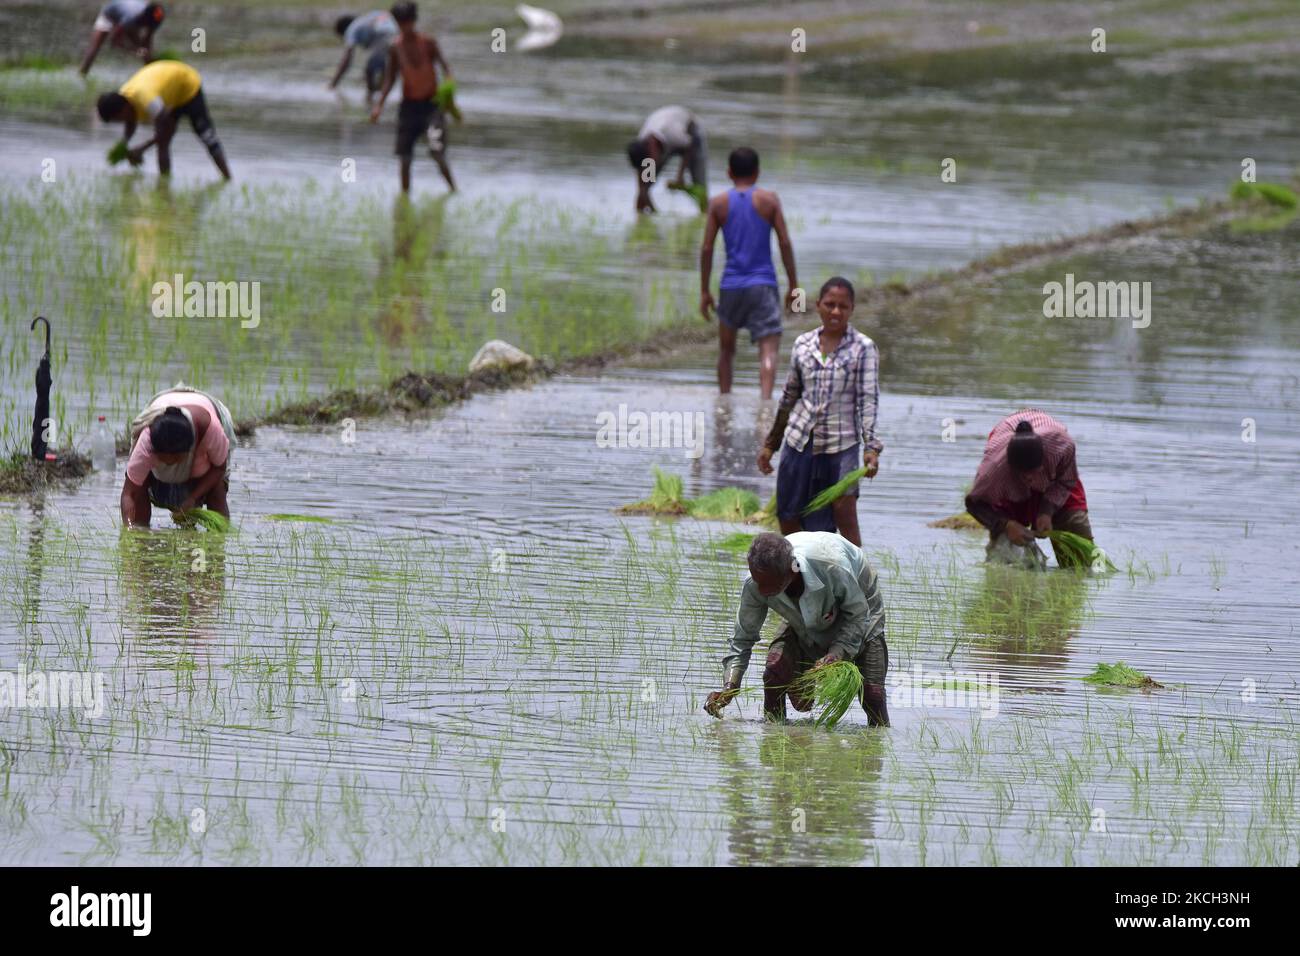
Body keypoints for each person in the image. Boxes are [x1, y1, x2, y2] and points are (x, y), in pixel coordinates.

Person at [705, 531, 889, 726]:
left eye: (769, 584)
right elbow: (743, 638)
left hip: (861, 602)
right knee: (775, 672)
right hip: (805, 612)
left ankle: (877, 737)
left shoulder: (832, 567)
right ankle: (774, 735)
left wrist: (836, 654)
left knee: (872, 693)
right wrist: (730, 686)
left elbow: (858, 616)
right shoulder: (755, 583)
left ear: (791, 571)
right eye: (759, 582)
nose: (762, 591)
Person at [758, 277, 882, 546]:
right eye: (830, 305)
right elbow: (790, 395)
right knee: (789, 514)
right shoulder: (803, 344)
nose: (835, 311)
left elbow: (868, 400)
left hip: (842, 444)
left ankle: (856, 577)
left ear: (851, 309)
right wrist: (771, 444)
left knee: (843, 510)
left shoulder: (863, 348)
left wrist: (871, 448)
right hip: (799, 440)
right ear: (818, 306)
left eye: (843, 306)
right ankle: (799, 575)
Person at [699, 147, 797, 400]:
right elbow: (785, 243)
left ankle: (724, 401)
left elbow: (707, 248)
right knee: (768, 350)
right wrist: (793, 285)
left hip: (730, 285)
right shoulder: (769, 201)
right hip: (763, 284)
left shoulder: (718, 204)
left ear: (729, 173)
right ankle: (765, 405)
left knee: (726, 351)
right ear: (757, 173)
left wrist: (704, 290)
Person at [964, 409, 1093, 564]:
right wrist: (1006, 525)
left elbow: (1066, 482)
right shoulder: (994, 470)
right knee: (1007, 558)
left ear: (1043, 462)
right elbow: (974, 503)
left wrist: (1046, 511)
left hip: (1054, 482)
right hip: (1009, 487)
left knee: (1077, 540)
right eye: (1023, 475)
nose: (1029, 479)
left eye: (1033, 473)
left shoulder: (1062, 448)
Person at [370, 2, 456, 193]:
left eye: (407, 22)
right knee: (405, 157)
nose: (404, 27)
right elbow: (390, 79)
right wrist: (379, 105)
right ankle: (404, 198)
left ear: (414, 21)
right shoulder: (395, 48)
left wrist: (449, 91)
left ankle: (453, 190)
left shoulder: (428, 43)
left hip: (432, 107)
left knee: (437, 151)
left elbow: (445, 68)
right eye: (400, 23)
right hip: (408, 108)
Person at [121, 386, 236, 528]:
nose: (170, 464)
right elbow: (130, 493)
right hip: (162, 403)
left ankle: (219, 542)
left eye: (176, 459)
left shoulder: (209, 428)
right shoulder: (147, 441)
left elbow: (219, 468)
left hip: (207, 410)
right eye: (164, 459)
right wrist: (130, 530)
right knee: (140, 484)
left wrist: (193, 498)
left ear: (190, 451)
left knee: (217, 489)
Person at [96, 60, 232, 179]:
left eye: (118, 119)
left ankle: (228, 179)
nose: (121, 122)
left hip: (186, 83)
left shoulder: (146, 99)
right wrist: (124, 144)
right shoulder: (125, 97)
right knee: (163, 146)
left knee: (206, 136)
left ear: (123, 109)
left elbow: (168, 128)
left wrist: (142, 149)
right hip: (167, 91)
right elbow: (130, 122)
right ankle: (164, 185)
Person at [627, 105, 706, 214]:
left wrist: (680, 176)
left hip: (691, 134)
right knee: (645, 186)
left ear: (652, 148)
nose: (650, 166)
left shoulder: (675, 135)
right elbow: (642, 184)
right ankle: (641, 218)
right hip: (664, 134)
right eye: (647, 165)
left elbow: (689, 147)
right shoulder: (641, 144)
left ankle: (706, 213)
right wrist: (652, 209)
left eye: (650, 162)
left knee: (700, 186)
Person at [80, 1, 165, 75]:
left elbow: (147, 39)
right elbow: (114, 41)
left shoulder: (156, 18)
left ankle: (151, 74)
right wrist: (134, 51)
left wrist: (147, 54)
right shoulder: (131, 17)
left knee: (144, 51)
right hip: (109, 16)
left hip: (128, 18)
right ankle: (82, 73)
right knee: (95, 47)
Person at [329, 10, 399, 99]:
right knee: (383, 69)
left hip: (385, 37)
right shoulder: (363, 20)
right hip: (396, 32)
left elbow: (346, 60)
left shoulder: (351, 30)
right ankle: (379, 94)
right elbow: (385, 14)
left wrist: (333, 83)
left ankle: (370, 98)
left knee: (370, 69)